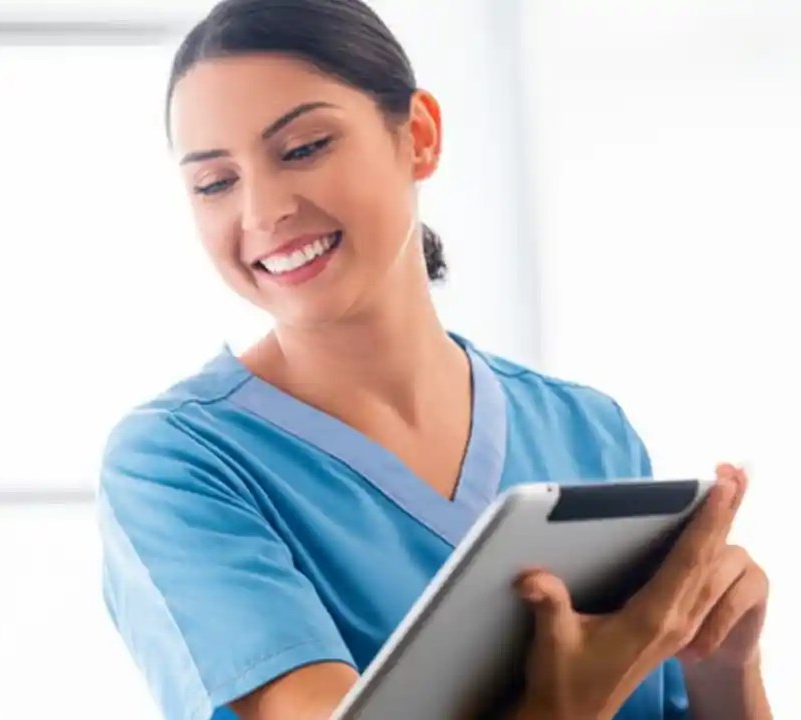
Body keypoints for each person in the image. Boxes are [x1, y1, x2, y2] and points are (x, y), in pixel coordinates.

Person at [97, 1, 772, 719]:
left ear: (417, 137)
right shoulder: (179, 464)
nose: (262, 212)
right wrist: (559, 705)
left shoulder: (589, 429)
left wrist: (726, 670)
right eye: (214, 183)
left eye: (302, 149)